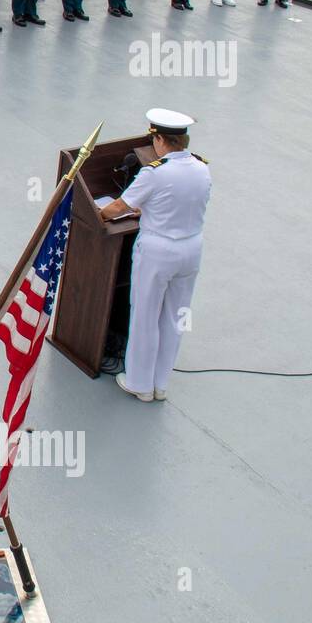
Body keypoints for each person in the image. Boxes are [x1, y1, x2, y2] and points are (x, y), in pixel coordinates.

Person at [100, 109, 211, 403]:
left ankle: (139, 383)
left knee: (145, 315)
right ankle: (160, 384)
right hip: (192, 249)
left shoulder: (155, 172)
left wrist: (95, 212)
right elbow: (182, 202)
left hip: (159, 251)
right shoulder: (202, 168)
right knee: (174, 317)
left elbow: (117, 208)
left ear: (160, 140)